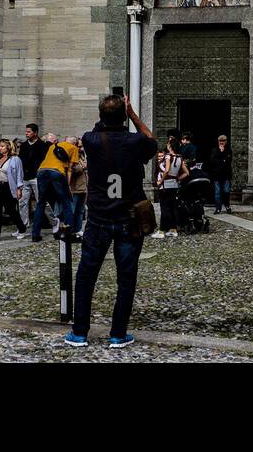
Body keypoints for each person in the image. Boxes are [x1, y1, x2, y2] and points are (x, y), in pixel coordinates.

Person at [65, 94, 157, 349]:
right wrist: (133, 115)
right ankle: (118, 333)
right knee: (126, 278)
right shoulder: (136, 141)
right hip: (128, 218)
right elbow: (152, 141)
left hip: (98, 219)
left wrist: (110, 113)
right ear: (124, 117)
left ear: (102, 117)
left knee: (86, 275)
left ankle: (80, 332)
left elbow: (98, 128)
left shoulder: (91, 139)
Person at [33, 133, 79, 241]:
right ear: (75, 143)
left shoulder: (54, 146)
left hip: (42, 171)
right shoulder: (73, 148)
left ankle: (35, 234)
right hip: (57, 172)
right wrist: (68, 186)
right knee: (66, 202)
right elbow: (70, 169)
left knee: (41, 203)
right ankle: (69, 232)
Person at [0, 138, 27, 242]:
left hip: (8, 187)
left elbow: (19, 174)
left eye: (2, 146)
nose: (0, 148)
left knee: (11, 210)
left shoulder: (15, 159)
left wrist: (19, 188)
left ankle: (22, 228)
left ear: (8, 147)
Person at [17, 123, 54, 232]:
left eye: (29, 132)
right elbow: (21, 161)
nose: (26, 134)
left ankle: (54, 222)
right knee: (22, 202)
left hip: (37, 177)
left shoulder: (42, 145)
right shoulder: (24, 145)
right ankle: (24, 225)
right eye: (26, 131)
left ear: (35, 133)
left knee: (42, 201)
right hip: (26, 177)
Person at [152, 140, 188, 238]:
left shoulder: (168, 156)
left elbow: (167, 170)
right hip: (174, 185)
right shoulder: (180, 157)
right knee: (173, 208)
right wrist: (177, 178)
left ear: (170, 146)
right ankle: (173, 229)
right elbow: (186, 173)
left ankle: (162, 231)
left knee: (164, 207)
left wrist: (161, 181)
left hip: (166, 185)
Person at [205, 135, 233, 214]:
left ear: (226, 141)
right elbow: (212, 161)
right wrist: (222, 160)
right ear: (218, 142)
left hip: (226, 174)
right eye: (220, 141)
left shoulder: (228, 150)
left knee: (226, 191)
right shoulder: (214, 150)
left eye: (223, 141)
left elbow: (228, 161)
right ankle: (218, 208)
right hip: (216, 175)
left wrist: (221, 155)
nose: (221, 143)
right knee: (217, 192)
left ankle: (227, 205)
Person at [67, 136, 88, 236]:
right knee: (72, 210)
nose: (81, 148)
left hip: (83, 187)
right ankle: (70, 230)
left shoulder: (81, 155)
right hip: (74, 188)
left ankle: (78, 229)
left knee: (80, 211)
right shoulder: (70, 155)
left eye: (81, 146)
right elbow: (75, 169)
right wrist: (84, 166)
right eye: (79, 146)